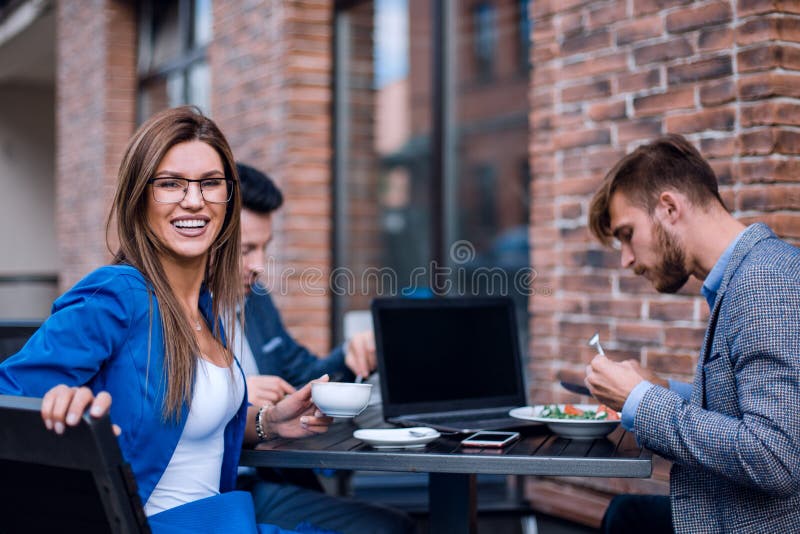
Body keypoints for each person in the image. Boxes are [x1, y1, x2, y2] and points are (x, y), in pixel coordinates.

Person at [0, 106, 335, 534]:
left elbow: (195, 431)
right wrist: (64, 412)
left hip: (220, 519)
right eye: (171, 184)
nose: (194, 200)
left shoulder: (204, 308)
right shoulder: (118, 294)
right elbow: (8, 400)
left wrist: (268, 422)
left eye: (211, 184)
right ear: (140, 198)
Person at [584, 134, 800, 533]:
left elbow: (776, 457)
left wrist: (641, 402)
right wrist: (663, 389)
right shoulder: (741, 280)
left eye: (628, 234)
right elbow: (747, 406)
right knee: (624, 516)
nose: (626, 259)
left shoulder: (764, 283)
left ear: (669, 207)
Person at [234, 162, 415, 533]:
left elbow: (301, 372)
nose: (259, 266)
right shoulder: (174, 314)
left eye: (264, 248)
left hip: (274, 476)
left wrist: (350, 355)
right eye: (245, 249)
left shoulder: (255, 301)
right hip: (224, 489)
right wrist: (232, 390)